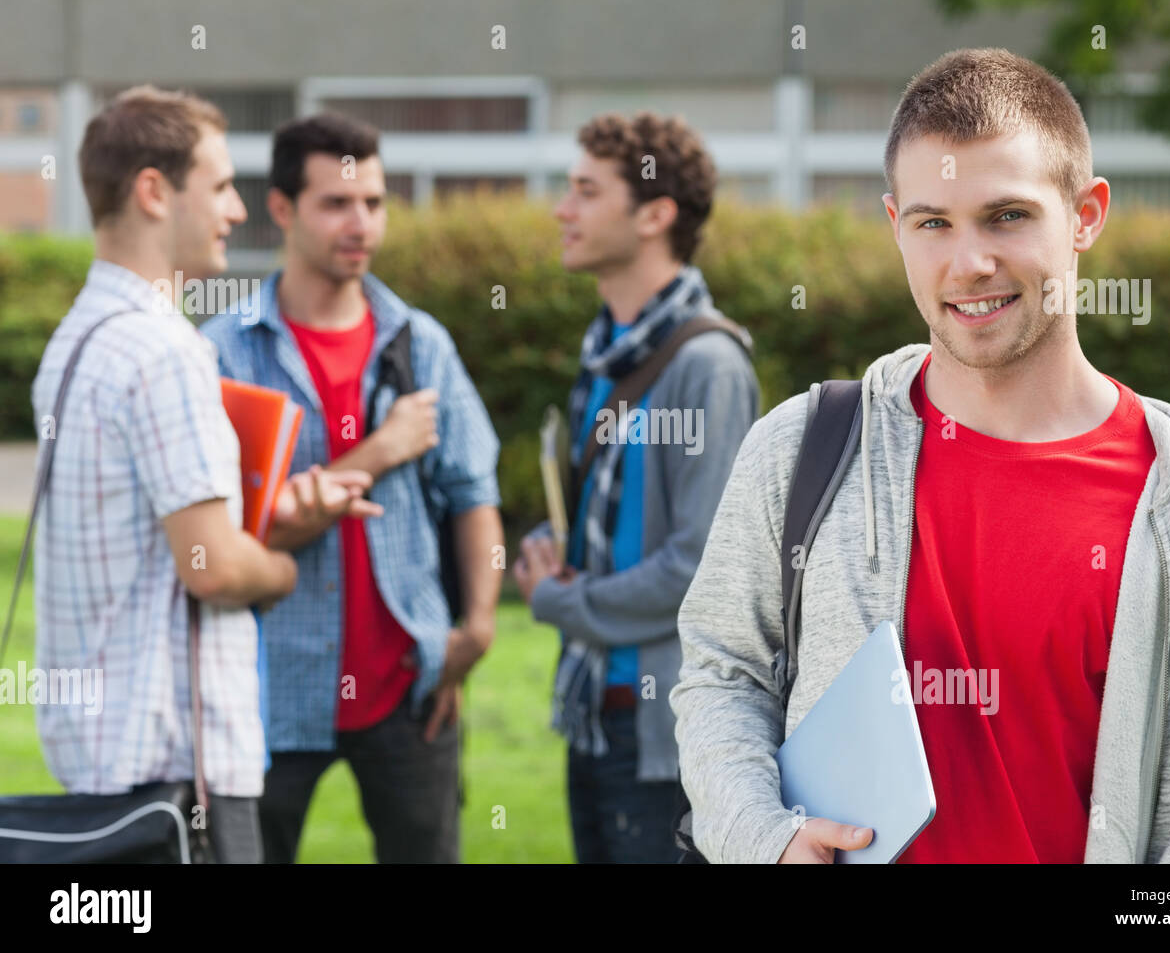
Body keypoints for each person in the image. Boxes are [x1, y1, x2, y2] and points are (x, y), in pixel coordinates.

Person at [670, 48, 1170, 864]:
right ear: (896, 226)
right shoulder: (803, 452)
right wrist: (766, 839)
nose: (969, 264)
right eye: (933, 222)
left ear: (1086, 215)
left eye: (1007, 216)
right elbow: (722, 673)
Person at [31, 87, 376, 864]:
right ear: (154, 191)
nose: (237, 210)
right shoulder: (167, 352)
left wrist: (265, 506)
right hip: (178, 768)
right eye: (219, 186)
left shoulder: (77, 339)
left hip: (97, 750)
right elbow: (212, 566)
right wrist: (282, 566)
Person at [201, 112, 504, 864]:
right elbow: (226, 541)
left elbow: (473, 493)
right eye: (336, 203)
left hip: (408, 685)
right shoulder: (225, 351)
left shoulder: (420, 342)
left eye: (373, 202)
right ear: (281, 209)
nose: (360, 222)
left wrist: (476, 629)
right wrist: (380, 450)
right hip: (268, 686)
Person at [513, 112, 760, 863]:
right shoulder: (609, 356)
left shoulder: (705, 366)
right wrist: (553, 549)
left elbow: (699, 570)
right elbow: (616, 531)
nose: (563, 210)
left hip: (658, 730)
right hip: (596, 712)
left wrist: (564, 602)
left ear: (655, 214)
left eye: (587, 191)